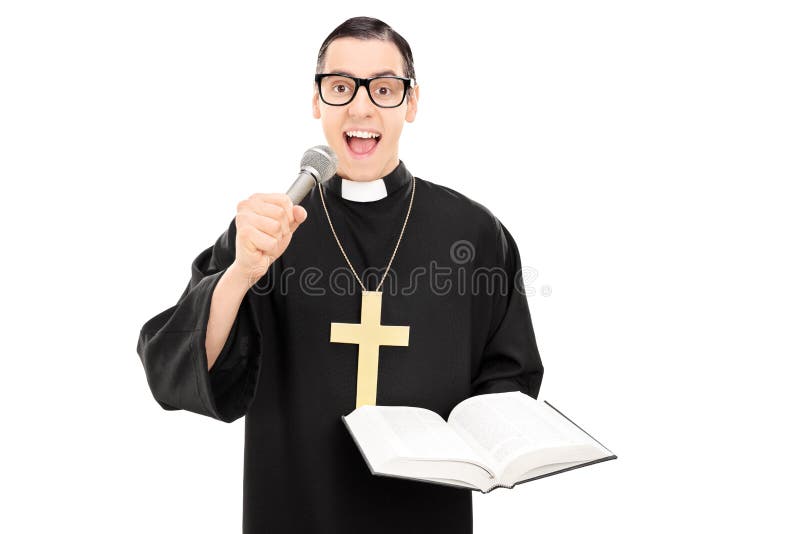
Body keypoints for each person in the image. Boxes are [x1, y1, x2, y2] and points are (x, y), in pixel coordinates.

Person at [137, 16, 544, 534]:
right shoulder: (268, 229)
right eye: (340, 86)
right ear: (316, 101)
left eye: (384, 87)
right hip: (295, 506)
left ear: (411, 103)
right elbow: (172, 371)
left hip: (426, 515)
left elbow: (509, 378)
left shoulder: (475, 231)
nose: (361, 105)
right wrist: (240, 273)